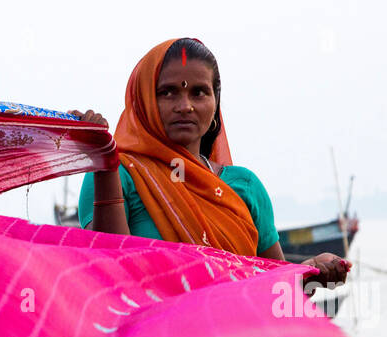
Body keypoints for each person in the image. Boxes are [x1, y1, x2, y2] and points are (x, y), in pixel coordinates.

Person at [71, 37, 350, 289]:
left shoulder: (245, 186)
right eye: (167, 92)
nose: (185, 106)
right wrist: (103, 164)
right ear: (143, 100)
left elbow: (276, 289)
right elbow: (112, 276)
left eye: (199, 92)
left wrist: (311, 269)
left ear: (215, 103)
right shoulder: (118, 173)